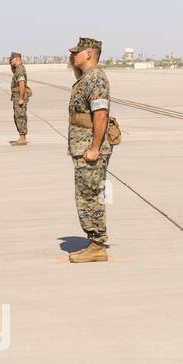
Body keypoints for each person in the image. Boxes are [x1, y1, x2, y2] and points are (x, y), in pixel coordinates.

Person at [66, 36, 113, 264]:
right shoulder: (86, 78)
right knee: (85, 194)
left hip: (90, 148)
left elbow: (101, 114)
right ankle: (94, 241)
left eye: (76, 53)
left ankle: (97, 245)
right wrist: (74, 65)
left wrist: (94, 148)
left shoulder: (95, 79)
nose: (73, 56)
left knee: (90, 195)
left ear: (88, 54)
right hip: (82, 146)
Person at [9, 52, 30, 145]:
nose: (10, 61)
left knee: (20, 116)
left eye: (12, 59)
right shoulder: (17, 69)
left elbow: (22, 84)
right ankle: (22, 136)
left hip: (19, 97)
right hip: (17, 96)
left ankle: (22, 137)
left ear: (17, 59)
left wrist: (21, 98)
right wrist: (12, 65)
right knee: (17, 116)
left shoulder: (20, 70)